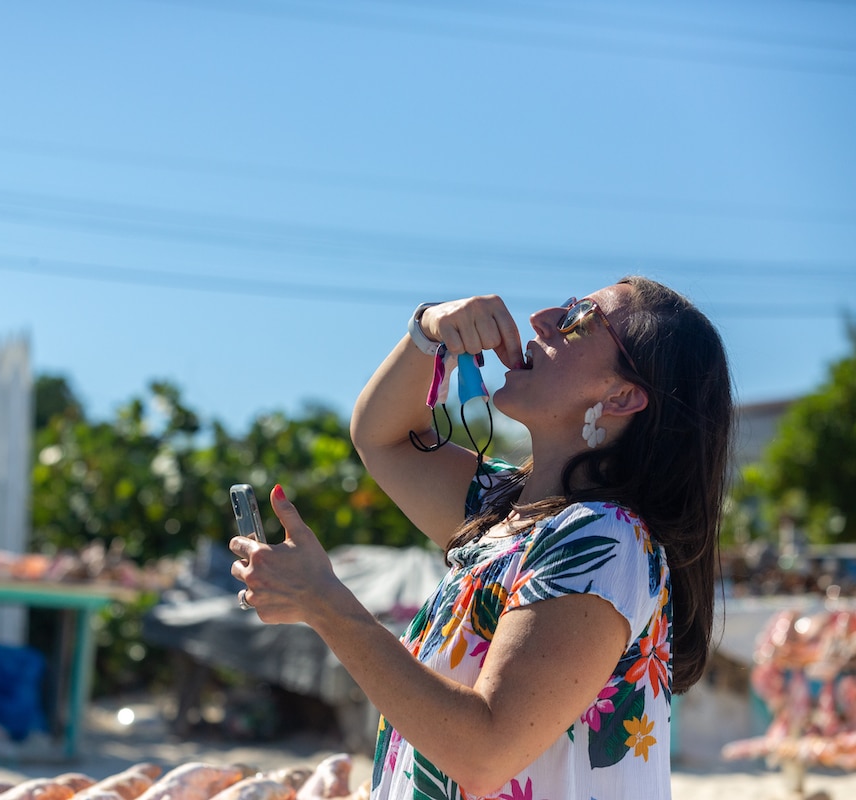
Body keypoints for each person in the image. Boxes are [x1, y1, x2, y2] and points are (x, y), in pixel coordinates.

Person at [229, 278, 733, 800]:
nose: (542, 317)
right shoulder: (502, 510)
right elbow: (381, 434)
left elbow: (485, 752)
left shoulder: (604, 536)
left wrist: (324, 604)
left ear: (622, 395)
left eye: (580, 317)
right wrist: (428, 334)